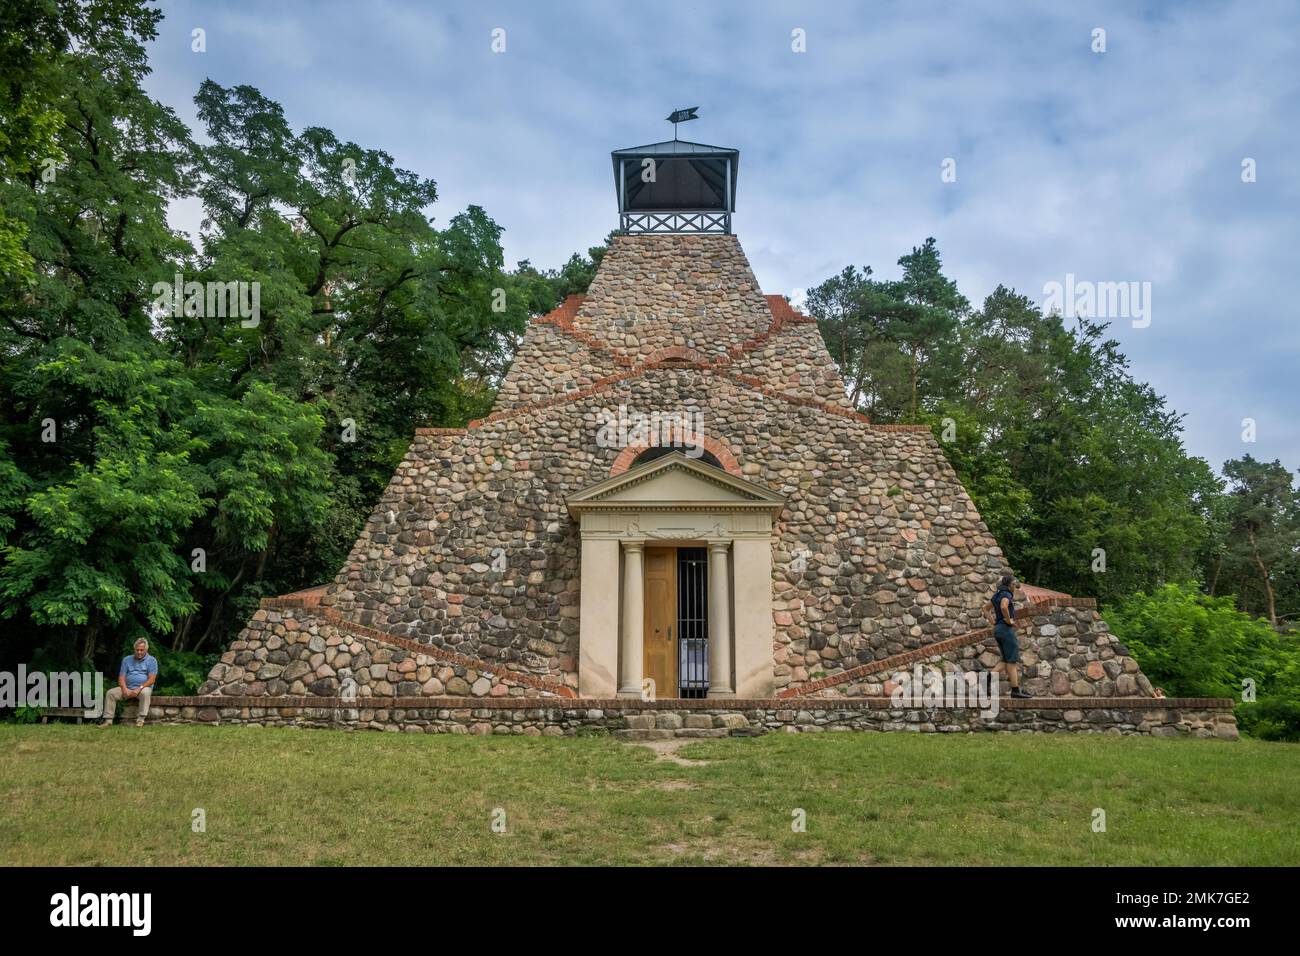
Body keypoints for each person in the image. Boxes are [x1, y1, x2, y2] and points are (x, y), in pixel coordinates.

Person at [99, 639, 158, 727]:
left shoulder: (152, 660)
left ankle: (140, 720)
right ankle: (108, 720)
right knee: (110, 693)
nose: (139, 652)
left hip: (143, 688)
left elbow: (151, 680)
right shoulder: (127, 659)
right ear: (134, 649)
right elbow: (121, 678)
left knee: (145, 693)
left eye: (141, 650)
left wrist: (139, 688)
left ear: (146, 650)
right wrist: (124, 689)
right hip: (127, 688)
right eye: (137, 650)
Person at [991, 575, 1031, 699]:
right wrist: (1009, 620)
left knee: (1005, 660)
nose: (1015, 586)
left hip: (998, 629)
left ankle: (985, 681)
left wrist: (994, 622)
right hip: (1005, 629)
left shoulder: (996, 595)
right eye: (1014, 584)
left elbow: (985, 609)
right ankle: (1015, 691)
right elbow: (1004, 606)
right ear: (1009, 585)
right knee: (1012, 660)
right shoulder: (1007, 594)